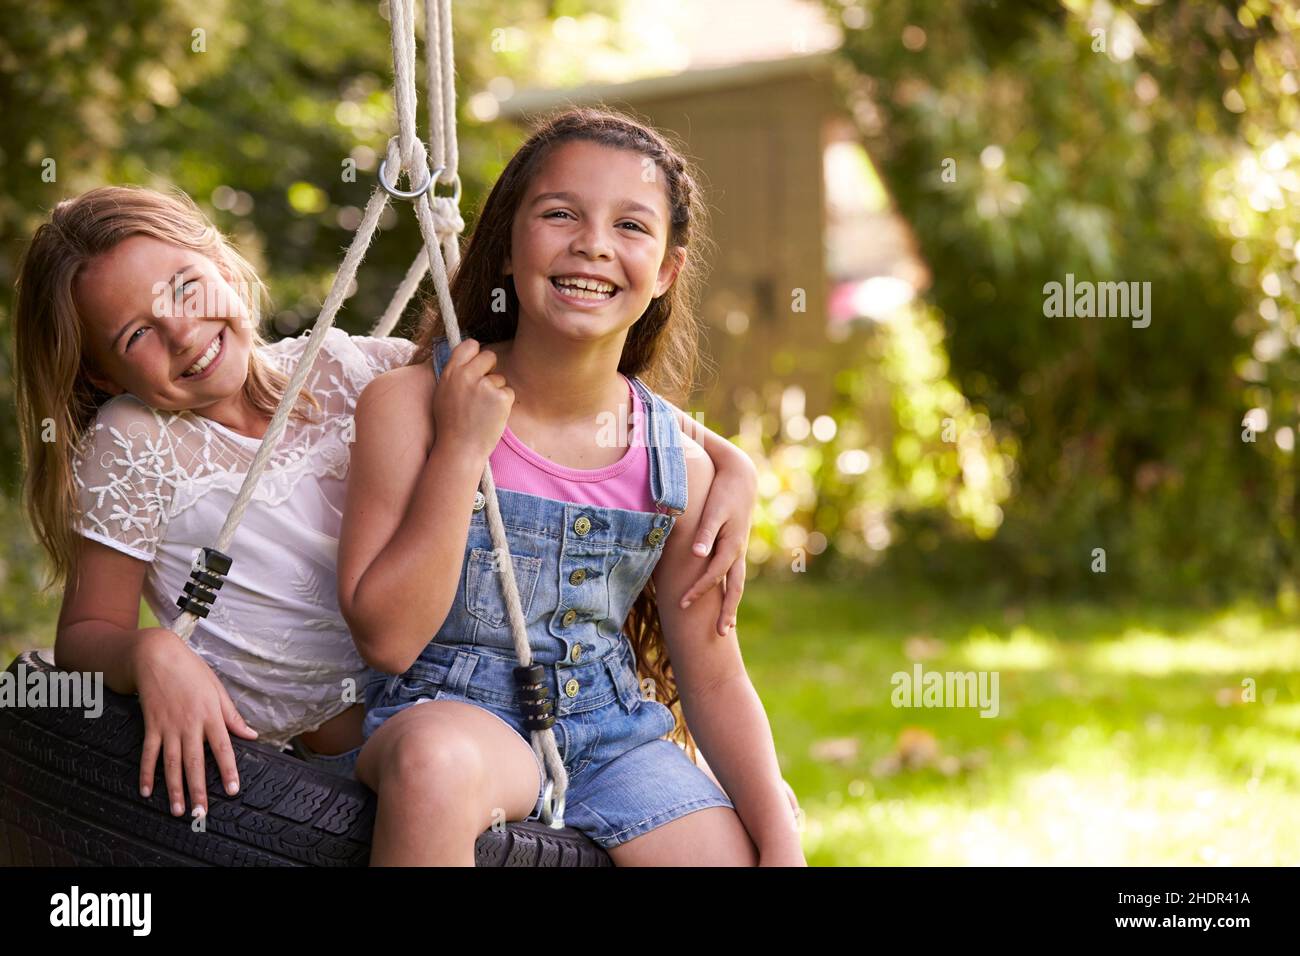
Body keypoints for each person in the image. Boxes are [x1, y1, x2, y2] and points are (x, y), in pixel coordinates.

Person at [12, 183, 760, 823]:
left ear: (219, 263)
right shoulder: (135, 439)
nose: (182, 331)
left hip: (468, 716)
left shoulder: (347, 367)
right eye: (138, 333)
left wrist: (727, 457)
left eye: (184, 286)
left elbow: (544, 395)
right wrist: (151, 651)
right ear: (103, 376)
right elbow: (85, 633)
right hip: (307, 776)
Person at [340, 107, 805, 865]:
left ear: (665, 272)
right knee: (434, 767)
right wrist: (461, 453)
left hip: (612, 735)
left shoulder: (674, 463)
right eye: (560, 214)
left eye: (631, 226)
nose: (592, 244)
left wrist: (781, 838)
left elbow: (714, 678)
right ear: (511, 240)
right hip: (453, 713)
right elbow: (387, 640)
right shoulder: (412, 406)